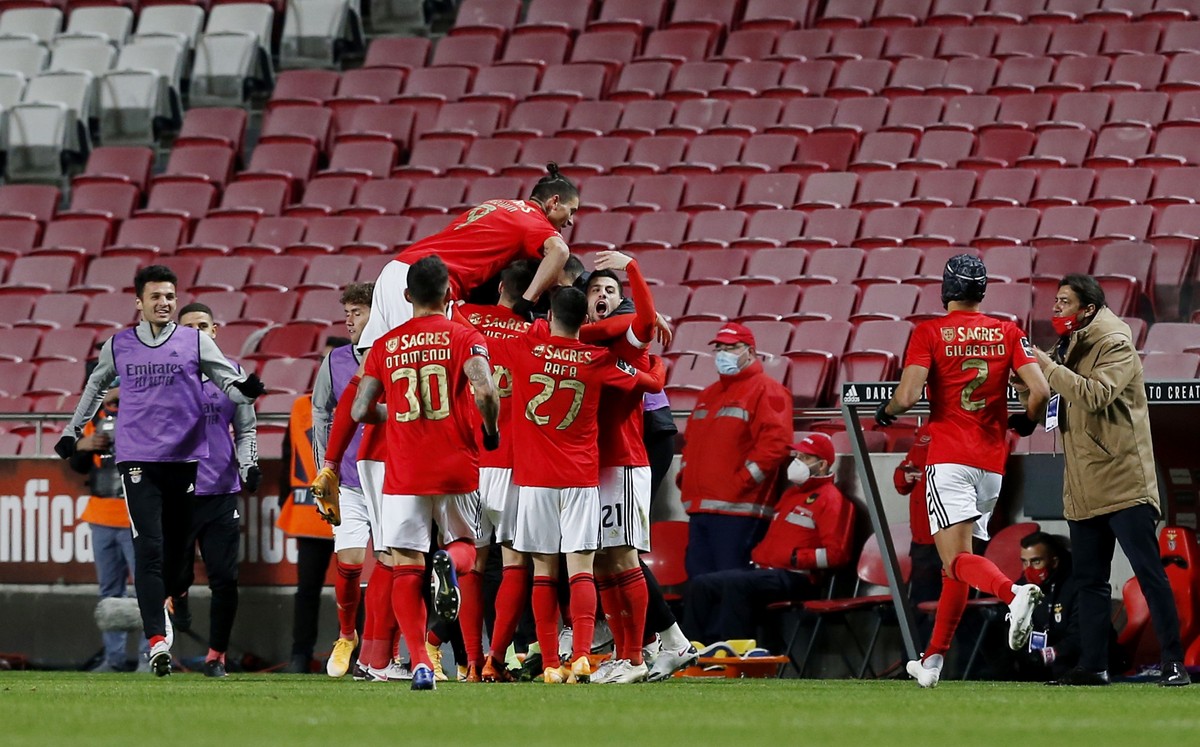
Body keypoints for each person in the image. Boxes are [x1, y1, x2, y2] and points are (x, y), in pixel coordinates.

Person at [54, 265, 266, 677]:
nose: (164, 303)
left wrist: (244, 391)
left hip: (188, 463)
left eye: (170, 296)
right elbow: (95, 387)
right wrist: (71, 432)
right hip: (136, 460)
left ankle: (181, 613)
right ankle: (156, 642)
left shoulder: (194, 342)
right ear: (139, 302)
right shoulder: (119, 346)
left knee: (176, 561)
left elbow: (228, 385)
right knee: (148, 548)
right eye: (156, 297)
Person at [876, 253, 1051, 689]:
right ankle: (932, 660)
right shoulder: (1008, 331)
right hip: (992, 462)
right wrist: (1026, 420)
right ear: (982, 291)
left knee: (954, 559)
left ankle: (1014, 594)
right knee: (956, 565)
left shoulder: (929, 332)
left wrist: (885, 412)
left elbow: (910, 392)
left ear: (945, 290)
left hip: (949, 456)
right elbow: (1042, 389)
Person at [493, 286, 665, 684]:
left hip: (535, 479)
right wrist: (657, 366)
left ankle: (551, 661)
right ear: (585, 321)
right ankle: (584, 657)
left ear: (550, 316)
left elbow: (496, 334)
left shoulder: (525, 348)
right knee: (582, 569)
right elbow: (650, 385)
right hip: (582, 478)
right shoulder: (598, 358)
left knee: (542, 571)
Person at [1025, 274, 1189, 687]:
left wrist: (1046, 366)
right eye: (1055, 301)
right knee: (1090, 582)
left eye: (1064, 302)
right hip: (1083, 485)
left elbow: (1096, 394)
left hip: (1122, 480)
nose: (1056, 309)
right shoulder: (1071, 342)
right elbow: (1052, 384)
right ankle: (1094, 665)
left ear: (1089, 308)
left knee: (1149, 573)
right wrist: (1025, 370)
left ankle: (1174, 662)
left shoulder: (1115, 342)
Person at [350, 255, 501, 692]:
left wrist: (395, 414)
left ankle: (418, 662)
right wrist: (489, 430)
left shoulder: (386, 344)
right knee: (466, 550)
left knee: (404, 566)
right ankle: (447, 563)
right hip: (455, 462)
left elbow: (361, 409)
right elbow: (486, 389)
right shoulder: (464, 336)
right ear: (450, 293)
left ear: (406, 295)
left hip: (404, 470)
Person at [682, 434, 855, 646]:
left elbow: (837, 554)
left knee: (738, 585)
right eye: (797, 455)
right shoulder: (790, 495)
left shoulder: (832, 500)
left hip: (799, 578)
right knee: (702, 584)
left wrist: (794, 558)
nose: (797, 461)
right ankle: (690, 649)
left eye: (805, 457)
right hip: (765, 571)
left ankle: (734, 652)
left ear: (822, 465)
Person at [172, 302, 261, 678]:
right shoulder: (166, 376)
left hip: (222, 490)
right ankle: (178, 593)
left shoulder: (234, 375)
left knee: (225, 577)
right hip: (178, 491)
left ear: (215, 330)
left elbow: (246, 429)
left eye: (202, 325)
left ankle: (216, 656)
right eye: (188, 327)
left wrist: (249, 464)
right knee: (176, 575)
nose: (196, 332)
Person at [457, 259, 536, 682]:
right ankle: (495, 659)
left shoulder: (465, 318)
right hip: (512, 461)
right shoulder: (535, 334)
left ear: (501, 284)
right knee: (515, 564)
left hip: (470, 458)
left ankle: (469, 661)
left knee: (471, 562)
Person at [310, 283, 389, 680]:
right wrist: (324, 468)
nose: (349, 319)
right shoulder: (336, 360)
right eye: (348, 312)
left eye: (358, 312)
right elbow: (321, 411)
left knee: (392, 567)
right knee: (350, 561)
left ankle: (381, 651)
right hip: (350, 479)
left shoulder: (396, 352)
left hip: (392, 477)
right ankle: (346, 636)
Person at [677, 323, 794, 579]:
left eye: (731, 347)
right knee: (699, 584)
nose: (723, 353)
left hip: (740, 510)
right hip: (700, 507)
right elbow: (692, 442)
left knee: (728, 585)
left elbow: (776, 444)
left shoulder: (768, 389)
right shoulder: (708, 394)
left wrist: (743, 481)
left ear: (750, 352)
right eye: (719, 348)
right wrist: (685, 475)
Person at [69, 383, 149, 672]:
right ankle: (113, 659)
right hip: (101, 515)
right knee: (110, 591)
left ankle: (148, 658)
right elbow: (78, 464)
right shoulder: (93, 416)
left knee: (146, 590)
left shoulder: (144, 410)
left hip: (135, 516)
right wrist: (82, 446)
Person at [276, 388, 334, 674]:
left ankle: (302, 655)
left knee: (310, 590)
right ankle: (305, 653)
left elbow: (289, 454)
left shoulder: (302, 407)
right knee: (347, 588)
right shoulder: (301, 406)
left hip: (313, 510)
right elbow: (288, 453)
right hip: (332, 511)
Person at [1013, 531, 1082, 681]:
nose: (1029, 569)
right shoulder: (1021, 588)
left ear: (1054, 562)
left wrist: (1045, 655)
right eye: (1024, 562)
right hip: (1036, 663)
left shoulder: (1077, 586)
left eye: (1036, 561)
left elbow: (1080, 637)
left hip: (1072, 661)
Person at [894, 425, 942, 608]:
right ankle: (921, 638)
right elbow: (906, 467)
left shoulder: (970, 431)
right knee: (921, 605)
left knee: (960, 608)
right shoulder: (925, 432)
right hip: (922, 539)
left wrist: (932, 479)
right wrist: (904, 477)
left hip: (954, 538)